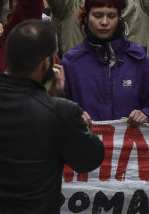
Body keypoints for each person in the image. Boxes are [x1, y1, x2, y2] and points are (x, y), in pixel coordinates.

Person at [0, 20, 105, 211]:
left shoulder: (57, 111)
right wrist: (60, 103)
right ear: (47, 64)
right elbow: (90, 159)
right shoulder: (61, 112)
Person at [61, 0, 149, 124]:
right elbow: (57, 111)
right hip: (84, 144)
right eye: (97, 15)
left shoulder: (140, 60)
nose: (104, 22)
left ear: (120, 18)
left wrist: (146, 115)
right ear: (86, 17)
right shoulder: (71, 63)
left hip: (129, 144)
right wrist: (71, 115)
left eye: (111, 16)